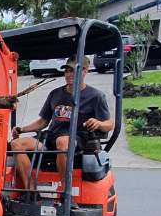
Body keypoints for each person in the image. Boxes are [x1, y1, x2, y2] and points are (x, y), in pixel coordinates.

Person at [9, 56, 113, 190]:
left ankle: (65, 190)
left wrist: (98, 123)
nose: (68, 74)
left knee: (62, 141)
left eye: (73, 71)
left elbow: (109, 124)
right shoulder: (55, 94)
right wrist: (22, 129)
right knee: (16, 144)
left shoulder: (95, 96)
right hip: (51, 137)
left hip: (76, 139)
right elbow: (43, 121)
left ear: (85, 71)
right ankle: (31, 190)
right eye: (67, 71)